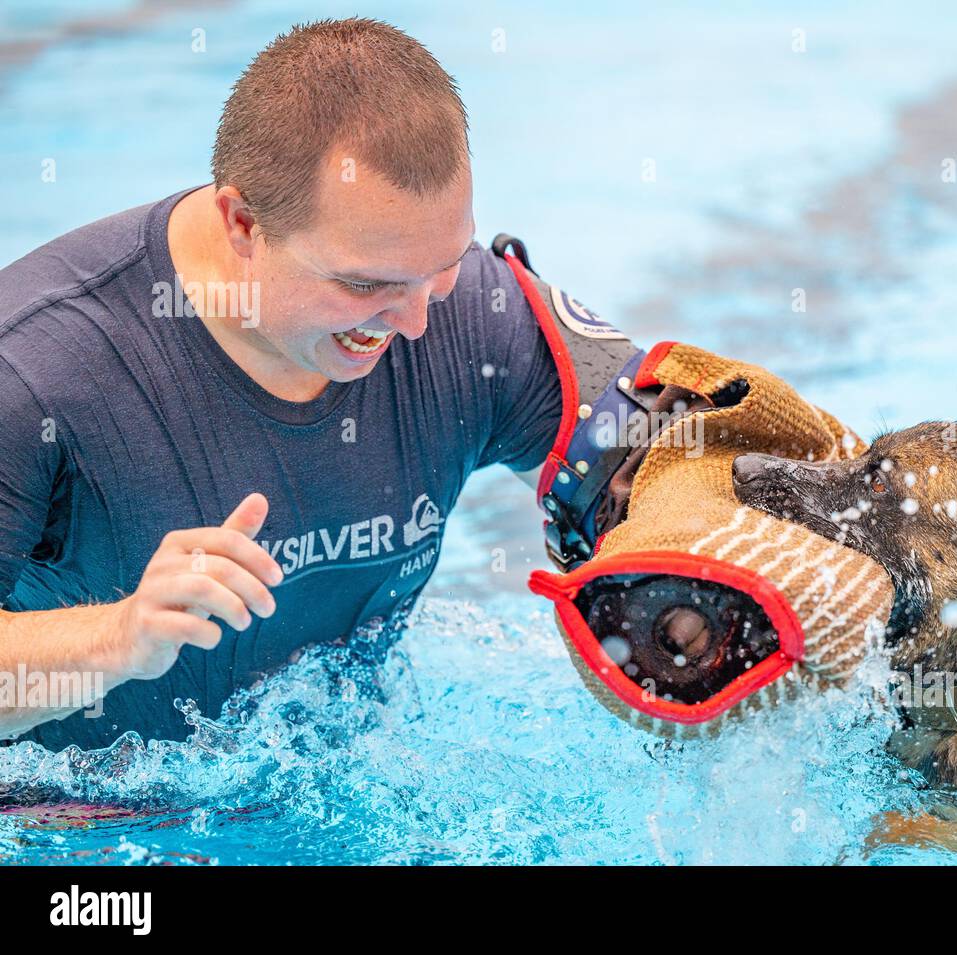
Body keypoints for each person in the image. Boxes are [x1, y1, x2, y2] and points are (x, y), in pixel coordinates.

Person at [0, 18, 565, 749]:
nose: (419, 322)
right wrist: (118, 635)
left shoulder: (468, 311)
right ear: (242, 221)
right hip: (73, 824)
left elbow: (667, 452)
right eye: (365, 283)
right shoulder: (36, 372)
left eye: (445, 262)